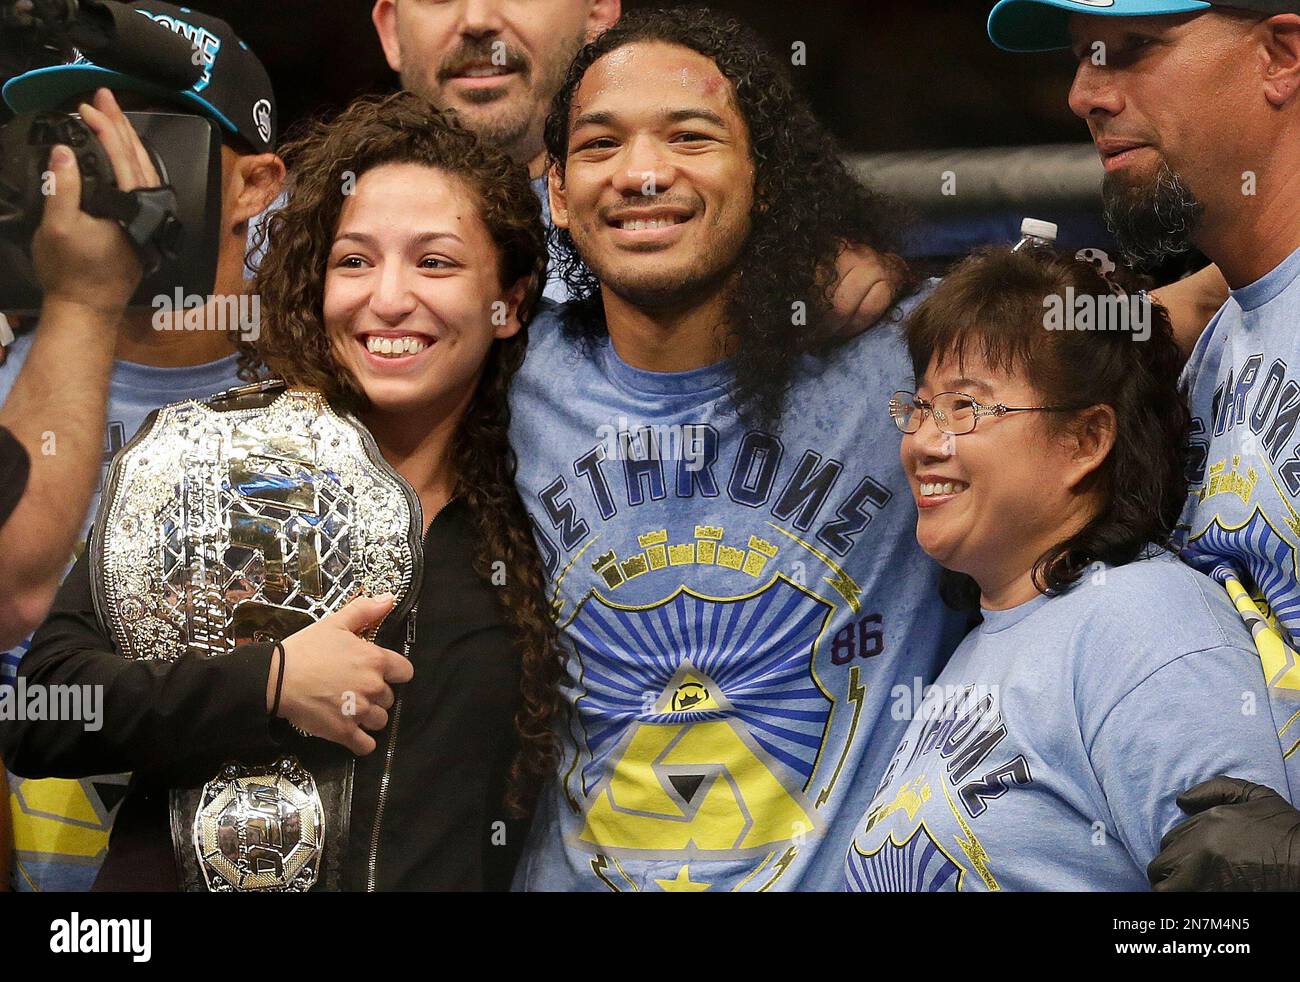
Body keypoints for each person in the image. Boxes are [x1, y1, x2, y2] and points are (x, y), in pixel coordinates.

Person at [0, 89, 562, 891]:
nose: (388, 298)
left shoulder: (539, 512)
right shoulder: (203, 455)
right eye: (354, 261)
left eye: (434, 261)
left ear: (506, 301)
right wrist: (268, 684)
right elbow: (43, 714)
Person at [507, 7, 970, 892]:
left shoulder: (921, 358)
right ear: (557, 194)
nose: (643, 173)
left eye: (691, 136)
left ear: (764, 176)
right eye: (600, 146)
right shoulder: (498, 373)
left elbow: (1142, 324)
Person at [843, 245, 1292, 891]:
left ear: (1085, 440)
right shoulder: (984, 640)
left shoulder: (1142, 621)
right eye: (919, 409)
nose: (922, 442)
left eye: (965, 408)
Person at [988, 0, 1300, 892]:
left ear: (1280, 56)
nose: (1086, 92)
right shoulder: (1219, 338)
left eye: (1133, 50)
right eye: (1085, 57)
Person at [0, 1, 285, 891]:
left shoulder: (337, 404)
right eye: (67, 130)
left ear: (257, 183)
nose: (85, 163)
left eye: (136, 125)